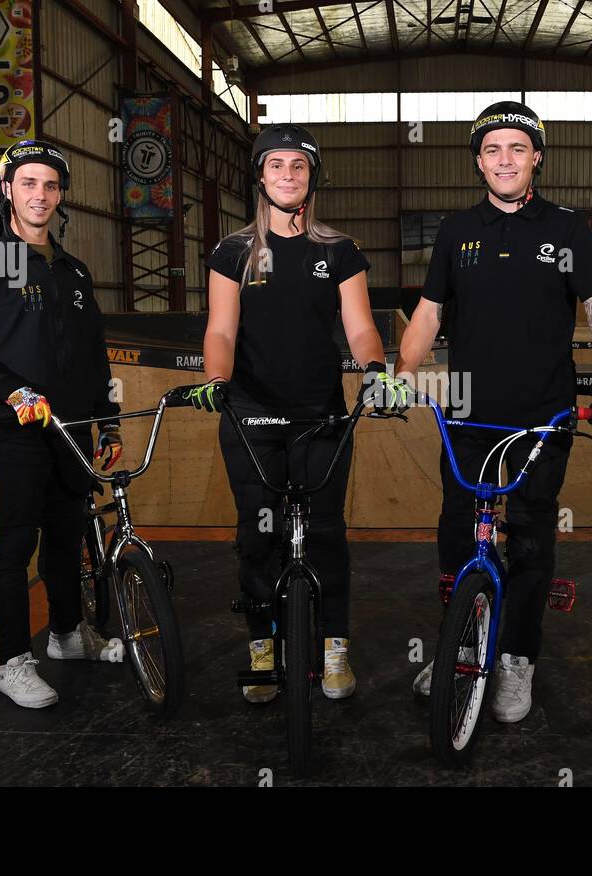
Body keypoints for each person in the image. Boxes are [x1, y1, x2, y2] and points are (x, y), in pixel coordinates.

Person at [395, 101, 592, 723]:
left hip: (542, 414)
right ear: (479, 162)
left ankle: (517, 661)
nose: (505, 159)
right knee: (456, 533)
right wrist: (401, 376)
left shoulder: (569, 228)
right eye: (493, 150)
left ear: (536, 159)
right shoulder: (456, 231)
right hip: (468, 413)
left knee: (529, 537)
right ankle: (462, 648)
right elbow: (428, 313)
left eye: (517, 149)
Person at [192, 123, 405, 703]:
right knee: (257, 536)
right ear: (260, 176)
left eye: (299, 166)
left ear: (313, 178)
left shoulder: (339, 250)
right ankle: (262, 645)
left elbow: (361, 328)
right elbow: (220, 329)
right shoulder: (233, 251)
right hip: (251, 417)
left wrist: (374, 369)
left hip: (321, 416)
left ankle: (335, 647)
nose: (287, 175)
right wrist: (216, 379)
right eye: (276, 165)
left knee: (329, 535)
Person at [0, 140, 126, 709]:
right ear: (8, 190)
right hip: (16, 430)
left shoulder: (73, 272)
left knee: (67, 539)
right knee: (15, 543)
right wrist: (9, 390)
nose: (40, 195)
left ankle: (68, 636)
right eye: (28, 184)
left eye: (50, 185)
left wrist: (110, 425)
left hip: (72, 429)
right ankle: (9, 661)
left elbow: (95, 360)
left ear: (60, 194)